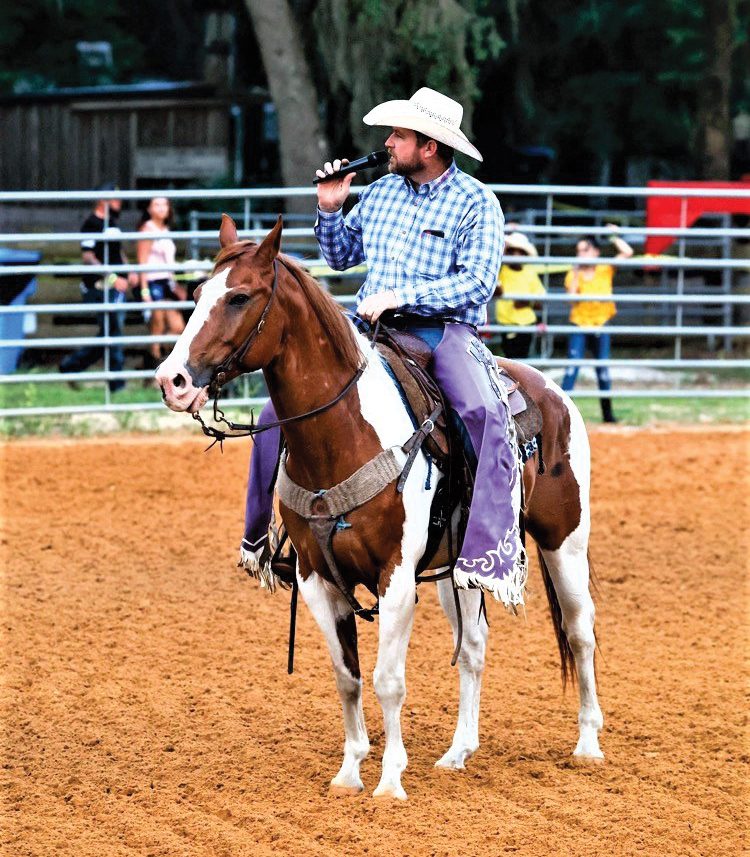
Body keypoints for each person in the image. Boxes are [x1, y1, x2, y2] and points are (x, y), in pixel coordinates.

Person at [241, 87, 526, 604]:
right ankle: (265, 540)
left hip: (442, 331)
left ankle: (490, 546)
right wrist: (329, 209)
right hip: (370, 330)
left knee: (483, 410)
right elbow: (341, 255)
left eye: (398, 135)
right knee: (273, 415)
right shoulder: (378, 193)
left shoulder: (477, 203)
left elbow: (478, 282)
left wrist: (403, 295)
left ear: (430, 146)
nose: (388, 143)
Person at [59, 184, 138, 392]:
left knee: (110, 333)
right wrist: (112, 278)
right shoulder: (91, 224)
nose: (119, 202)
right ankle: (117, 385)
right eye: (116, 198)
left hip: (115, 287)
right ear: (103, 199)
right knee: (113, 332)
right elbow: (88, 257)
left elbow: (118, 251)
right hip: (98, 287)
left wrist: (130, 270)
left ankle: (71, 366)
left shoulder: (112, 223)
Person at [561, 225, 634, 423]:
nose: (581, 254)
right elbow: (571, 299)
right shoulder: (572, 274)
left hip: (601, 324)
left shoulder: (604, 269)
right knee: (571, 369)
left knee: (602, 370)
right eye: (578, 251)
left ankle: (607, 414)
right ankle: (561, 415)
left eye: (585, 250)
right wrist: (576, 271)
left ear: (595, 252)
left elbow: (627, 252)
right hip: (580, 324)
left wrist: (613, 236)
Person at [136, 197, 185, 370]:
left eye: (164, 204)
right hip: (152, 282)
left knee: (177, 327)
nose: (162, 208)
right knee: (157, 330)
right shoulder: (147, 229)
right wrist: (144, 291)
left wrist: (174, 284)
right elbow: (142, 262)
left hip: (166, 283)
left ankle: (152, 362)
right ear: (149, 209)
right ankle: (154, 371)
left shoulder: (165, 229)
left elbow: (168, 263)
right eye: (157, 204)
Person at [495, 231, 546, 358]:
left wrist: (526, 303)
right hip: (506, 322)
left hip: (526, 323)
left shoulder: (530, 272)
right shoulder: (502, 270)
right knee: (509, 356)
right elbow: (496, 289)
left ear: (524, 254)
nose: (515, 255)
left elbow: (540, 300)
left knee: (523, 358)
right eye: (511, 251)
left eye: (519, 251)